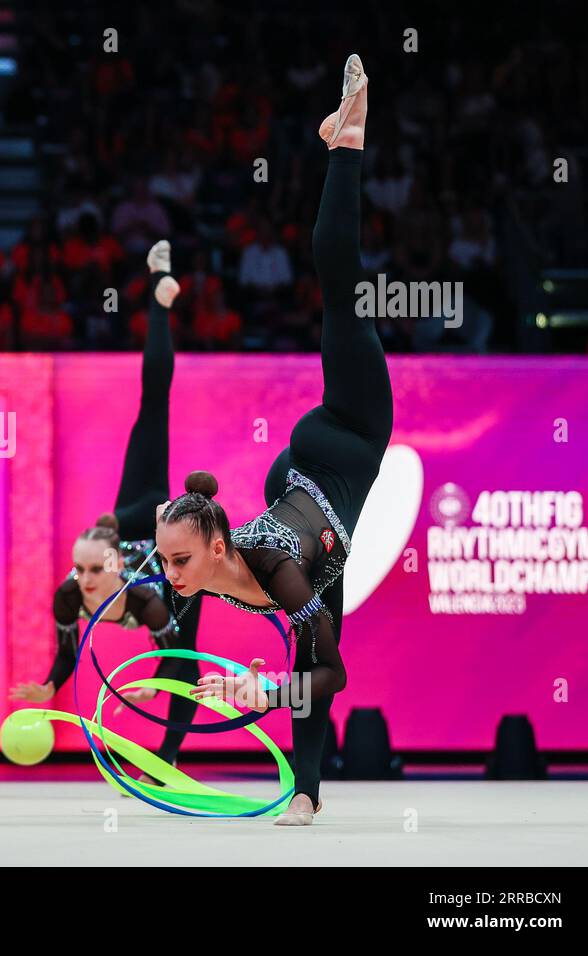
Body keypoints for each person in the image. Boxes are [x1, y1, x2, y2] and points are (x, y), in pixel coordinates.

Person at [154, 55, 392, 826]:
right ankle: (307, 794)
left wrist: (263, 691)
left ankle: (345, 140)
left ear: (217, 548)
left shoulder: (270, 570)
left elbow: (334, 672)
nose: (170, 570)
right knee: (312, 619)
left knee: (337, 284)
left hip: (351, 431)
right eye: (165, 557)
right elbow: (160, 637)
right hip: (302, 488)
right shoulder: (200, 570)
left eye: (179, 558)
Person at [12, 240, 204, 783]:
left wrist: (157, 680)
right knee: (153, 409)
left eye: (95, 570)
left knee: (153, 407)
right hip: (164, 543)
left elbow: (175, 662)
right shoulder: (71, 595)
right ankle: (160, 294)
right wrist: (49, 686)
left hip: (161, 534)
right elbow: (68, 652)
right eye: (81, 571)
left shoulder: (143, 597)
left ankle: (167, 757)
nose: (85, 580)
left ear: (117, 565)